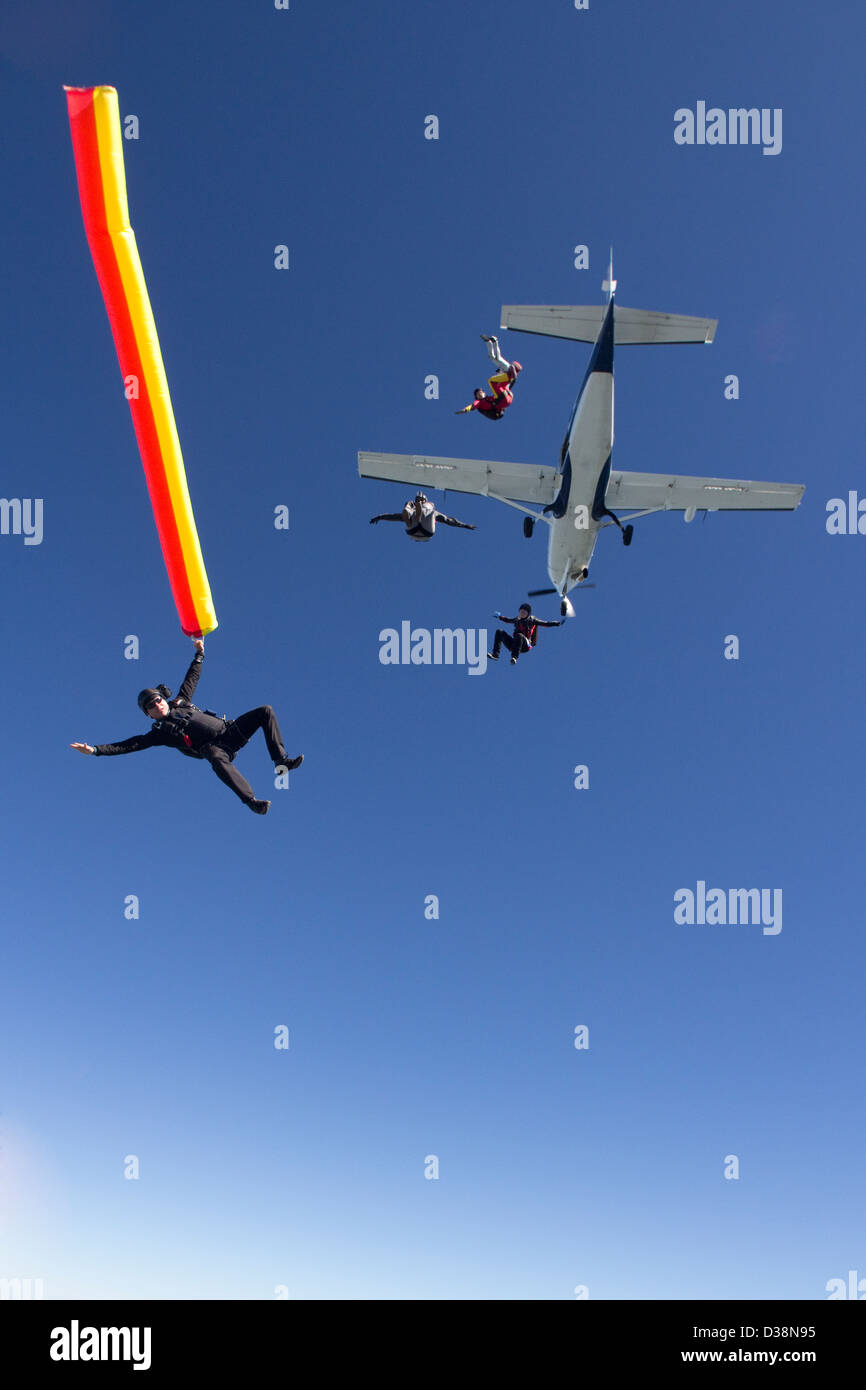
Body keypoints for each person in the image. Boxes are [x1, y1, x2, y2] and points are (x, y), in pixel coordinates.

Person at [69, 639, 303, 814]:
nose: (157, 705)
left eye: (158, 699)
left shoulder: (181, 701)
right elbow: (131, 744)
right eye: (151, 706)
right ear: (149, 714)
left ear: (163, 698)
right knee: (213, 755)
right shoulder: (159, 733)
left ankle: (280, 761)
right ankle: (251, 801)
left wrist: (199, 655)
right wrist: (96, 750)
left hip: (230, 732)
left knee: (265, 711)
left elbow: (191, 678)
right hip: (215, 748)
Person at [456, 334, 522, 421]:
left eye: (480, 392)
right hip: (505, 398)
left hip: (507, 397)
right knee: (492, 380)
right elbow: (473, 406)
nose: (480, 393)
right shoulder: (480, 402)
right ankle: (492, 342)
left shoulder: (491, 396)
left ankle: (492, 342)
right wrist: (465, 410)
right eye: (478, 394)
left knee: (497, 373)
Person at [370, 492, 475, 541]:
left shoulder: (432, 510)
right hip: (419, 530)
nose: (419, 500)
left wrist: (464, 525)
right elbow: (392, 516)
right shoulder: (413, 506)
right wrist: (379, 517)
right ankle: (412, 512)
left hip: (419, 530)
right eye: (418, 500)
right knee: (409, 508)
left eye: (421, 500)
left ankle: (417, 512)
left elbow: (449, 520)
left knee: (430, 509)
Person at [488, 604, 562, 664]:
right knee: (499, 631)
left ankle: (514, 657)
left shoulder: (532, 620)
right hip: (514, 644)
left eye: (524, 612)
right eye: (521, 612)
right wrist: (499, 617)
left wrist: (555, 623)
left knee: (519, 635)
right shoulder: (517, 619)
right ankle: (495, 655)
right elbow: (508, 620)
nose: (522, 613)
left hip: (525, 645)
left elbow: (545, 623)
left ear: (527, 614)